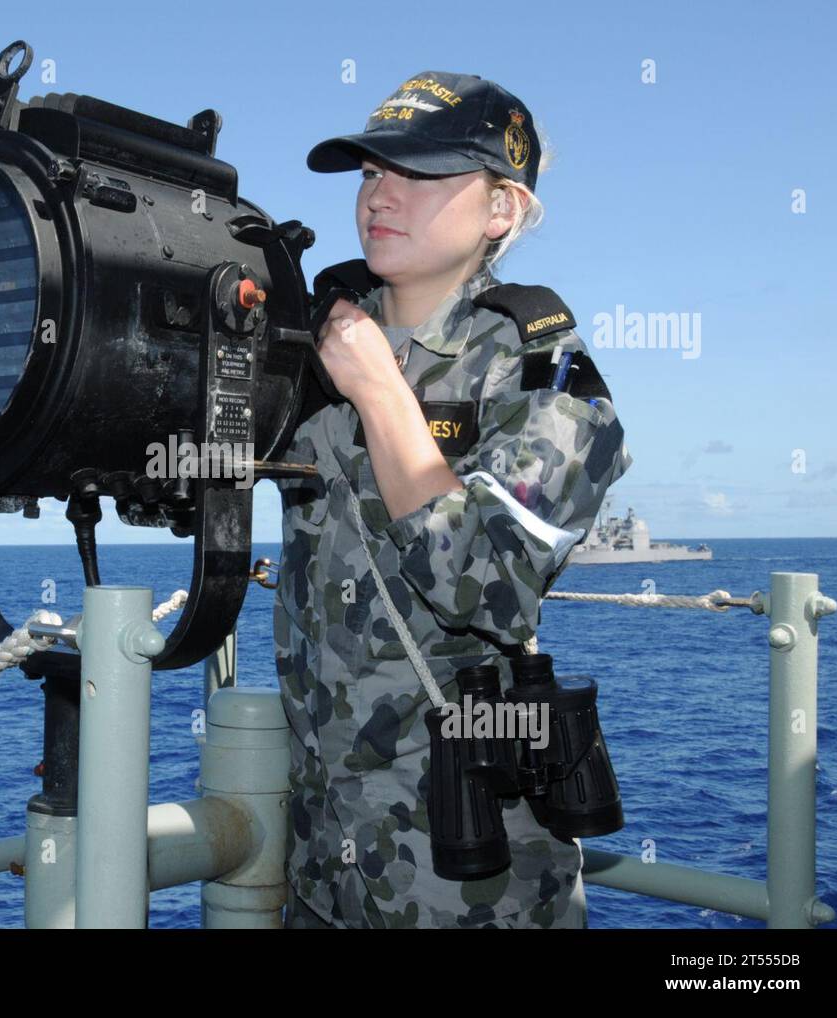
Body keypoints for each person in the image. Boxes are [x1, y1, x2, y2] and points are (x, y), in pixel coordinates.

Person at [274, 71, 633, 929]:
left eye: (423, 173)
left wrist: (380, 393)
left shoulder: (543, 372)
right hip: (320, 870)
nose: (379, 195)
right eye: (368, 172)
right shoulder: (307, 341)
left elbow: (489, 585)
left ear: (502, 210)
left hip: (465, 889)